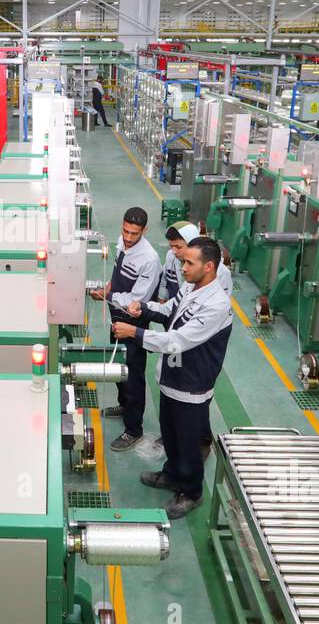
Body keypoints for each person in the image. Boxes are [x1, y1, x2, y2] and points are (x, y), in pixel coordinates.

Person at [114, 237, 233, 519]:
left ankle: (191, 492)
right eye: (182, 262)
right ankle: (171, 474)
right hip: (172, 377)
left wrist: (135, 333)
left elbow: (178, 340)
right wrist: (143, 308)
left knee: (189, 441)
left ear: (209, 266)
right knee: (171, 434)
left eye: (189, 263)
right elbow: (169, 311)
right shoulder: (191, 287)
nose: (183, 268)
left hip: (191, 386)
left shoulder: (216, 305)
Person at [90, 206, 160, 451]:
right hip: (115, 314)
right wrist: (106, 289)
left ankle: (134, 429)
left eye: (134, 233)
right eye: (126, 231)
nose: (128, 238)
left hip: (132, 321)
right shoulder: (121, 242)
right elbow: (116, 275)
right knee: (119, 366)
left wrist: (109, 297)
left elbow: (136, 301)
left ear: (145, 231)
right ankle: (124, 404)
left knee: (133, 374)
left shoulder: (150, 259)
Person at [158, 221, 199, 300]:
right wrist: (162, 298)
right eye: (171, 246)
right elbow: (164, 279)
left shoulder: (218, 271)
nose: (174, 251)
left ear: (193, 244)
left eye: (178, 247)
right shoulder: (170, 256)